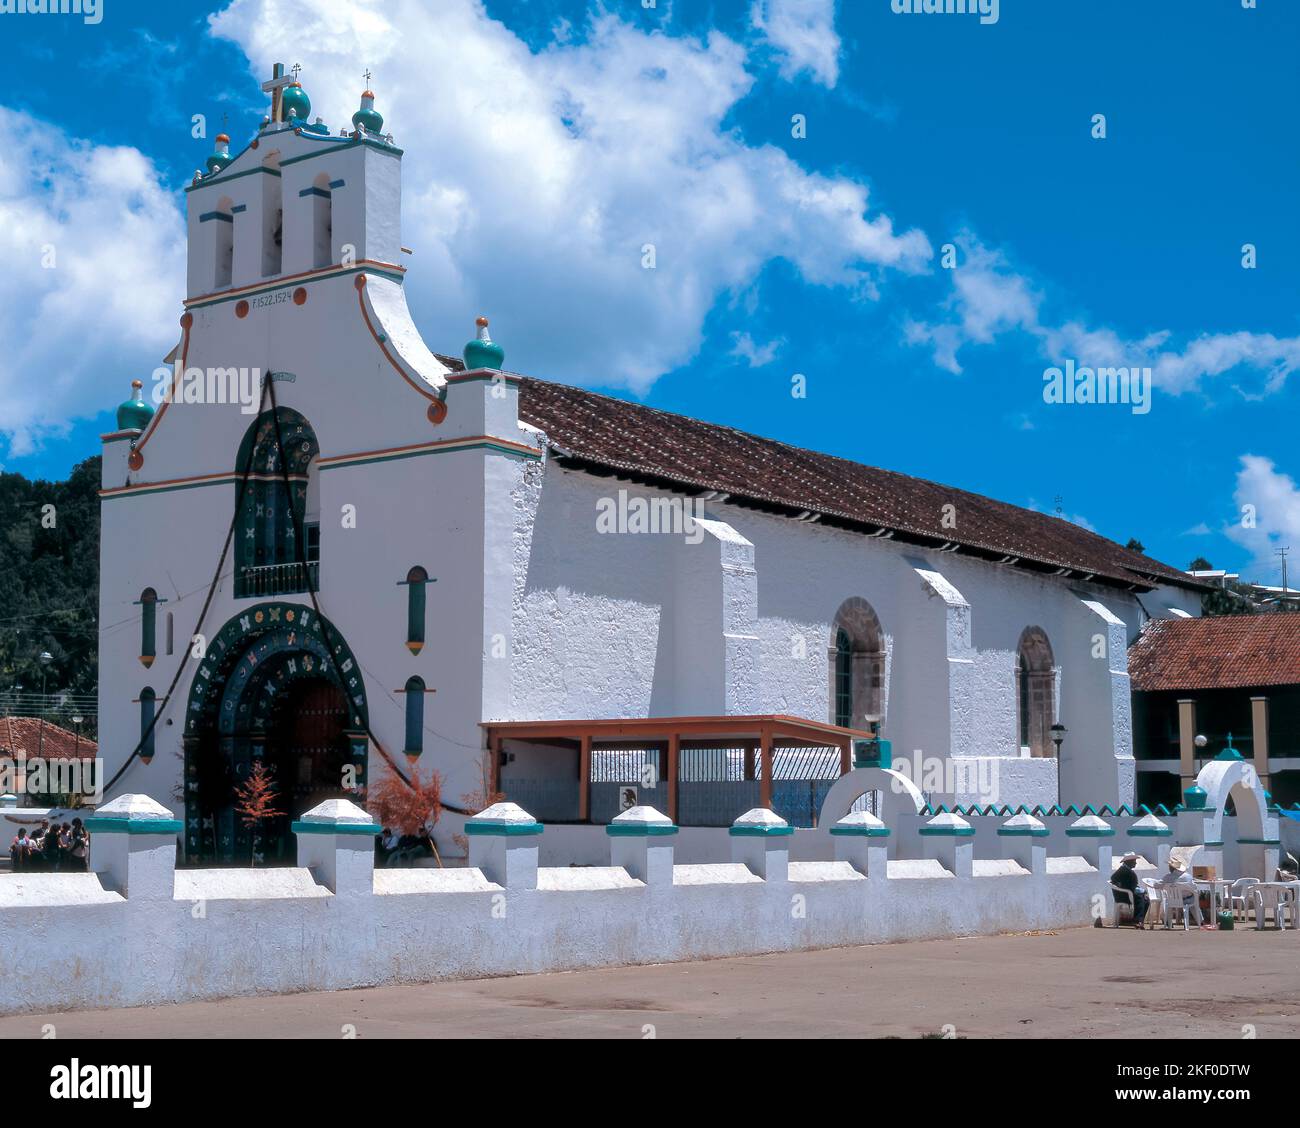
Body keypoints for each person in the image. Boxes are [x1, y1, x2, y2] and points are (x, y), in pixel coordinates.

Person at [1155, 859, 1216, 930]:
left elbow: (1156, 885)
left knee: (1168, 904)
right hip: (1187, 900)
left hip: (1173, 901)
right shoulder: (1187, 876)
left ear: (1171, 868)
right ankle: (1201, 922)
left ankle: (1168, 923)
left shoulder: (1167, 877)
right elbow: (1194, 888)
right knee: (1194, 899)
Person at [1110, 854, 1149, 927]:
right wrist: (1143, 891)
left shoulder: (1125, 870)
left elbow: (1130, 886)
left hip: (1126, 894)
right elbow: (1131, 887)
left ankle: (1138, 920)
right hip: (1125, 896)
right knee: (1142, 899)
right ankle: (1138, 920)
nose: (1135, 863)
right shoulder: (1125, 871)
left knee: (1146, 900)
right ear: (1129, 862)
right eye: (1134, 862)